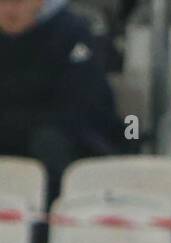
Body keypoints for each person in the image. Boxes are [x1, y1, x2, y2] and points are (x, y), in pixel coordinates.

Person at [0, 0, 124, 206]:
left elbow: (82, 107)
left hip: (67, 140)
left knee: (50, 142)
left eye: (17, 2)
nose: (9, 10)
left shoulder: (74, 33)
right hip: (15, 133)